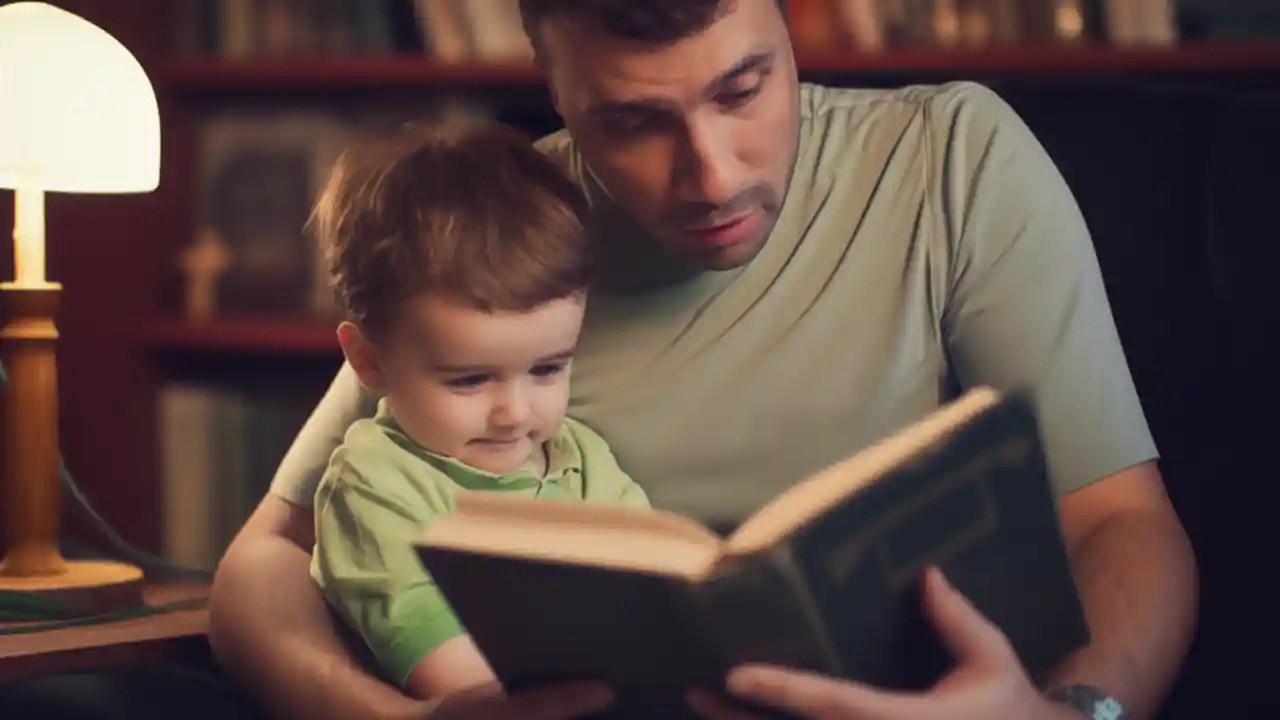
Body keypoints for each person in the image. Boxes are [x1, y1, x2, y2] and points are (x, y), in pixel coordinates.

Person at [208, 2, 1199, 719]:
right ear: (550, 87)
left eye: (744, 88)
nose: (713, 176)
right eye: (631, 123)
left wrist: (1071, 715)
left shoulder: (950, 160)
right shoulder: (505, 227)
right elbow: (263, 562)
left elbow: (1117, 521)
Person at [305, 121, 651, 702]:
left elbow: (652, 591)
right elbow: (455, 676)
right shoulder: (375, 484)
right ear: (369, 362)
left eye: (547, 369)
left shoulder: (580, 456)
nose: (514, 414)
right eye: (469, 380)